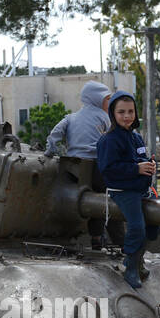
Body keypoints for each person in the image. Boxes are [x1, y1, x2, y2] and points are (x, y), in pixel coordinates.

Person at [96, 91, 160, 289]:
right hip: (123, 191)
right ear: (113, 114)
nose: (127, 116)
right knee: (136, 227)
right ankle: (131, 267)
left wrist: (148, 165)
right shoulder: (109, 140)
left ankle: (137, 259)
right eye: (121, 112)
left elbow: (140, 158)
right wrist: (136, 169)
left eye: (130, 111)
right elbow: (108, 170)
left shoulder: (136, 137)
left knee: (154, 226)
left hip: (141, 189)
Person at [44, 81, 117, 248]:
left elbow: (56, 133)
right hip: (98, 166)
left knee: (90, 200)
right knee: (103, 201)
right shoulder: (105, 117)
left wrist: (51, 150)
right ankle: (103, 238)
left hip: (73, 169)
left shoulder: (72, 117)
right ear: (97, 99)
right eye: (107, 100)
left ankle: (92, 237)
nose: (109, 104)